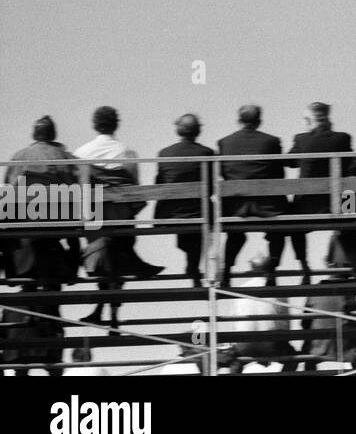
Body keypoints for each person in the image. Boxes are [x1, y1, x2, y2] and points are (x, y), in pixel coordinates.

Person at [1, 116, 80, 375]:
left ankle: (19, 360)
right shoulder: (65, 159)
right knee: (49, 305)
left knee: (24, 303)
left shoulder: (18, 158)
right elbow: (78, 209)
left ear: (34, 135)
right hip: (51, 252)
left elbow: (6, 204)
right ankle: (51, 359)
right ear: (54, 134)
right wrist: (75, 252)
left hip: (22, 253)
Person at [75, 106, 164, 327]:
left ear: (95, 125)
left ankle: (101, 310)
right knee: (119, 251)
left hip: (94, 220)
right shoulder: (129, 154)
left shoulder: (81, 154)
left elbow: (77, 193)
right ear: (116, 125)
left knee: (105, 257)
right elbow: (136, 193)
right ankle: (112, 316)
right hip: (122, 219)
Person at [217, 105, 290, 285]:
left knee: (235, 235)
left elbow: (223, 173)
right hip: (268, 205)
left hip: (235, 206)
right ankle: (272, 269)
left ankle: (226, 270)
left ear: (239, 121)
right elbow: (279, 174)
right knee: (279, 232)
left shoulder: (225, 143)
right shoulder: (272, 142)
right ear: (259, 121)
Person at [285, 102, 356, 282]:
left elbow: (290, 162)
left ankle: (304, 267)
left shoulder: (301, 139)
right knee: (351, 202)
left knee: (294, 225)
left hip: (306, 207)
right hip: (341, 206)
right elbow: (351, 162)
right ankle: (354, 263)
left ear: (309, 121)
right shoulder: (343, 138)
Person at [154, 114, 215, 287]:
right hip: (199, 212)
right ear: (198, 131)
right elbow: (211, 187)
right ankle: (193, 266)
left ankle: (192, 265)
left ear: (178, 130)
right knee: (199, 222)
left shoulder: (164, 154)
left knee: (189, 222)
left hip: (170, 214)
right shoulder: (206, 153)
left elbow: (159, 185)